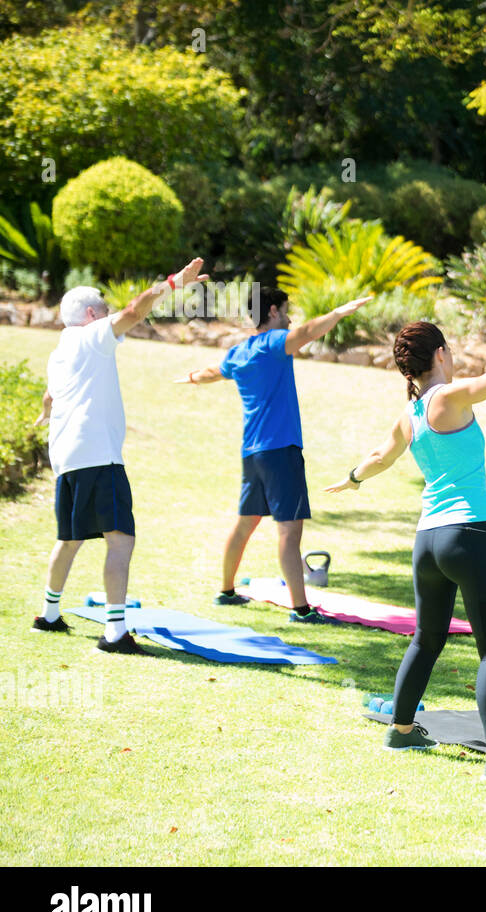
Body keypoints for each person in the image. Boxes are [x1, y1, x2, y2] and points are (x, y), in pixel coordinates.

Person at [326, 319, 486, 782]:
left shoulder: (408, 417)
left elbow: (380, 458)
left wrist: (351, 479)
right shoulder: (446, 398)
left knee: (427, 638)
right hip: (469, 535)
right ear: (442, 355)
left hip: (427, 540)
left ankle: (402, 728)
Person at [33, 259, 209, 653]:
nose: (111, 317)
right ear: (93, 315)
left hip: (67, 457)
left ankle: (47, 615)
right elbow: (134, 311)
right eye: (104, 311)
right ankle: (114, 633)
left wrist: (45, 414)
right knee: (120, 540)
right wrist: (172, 284)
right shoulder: (93, 335)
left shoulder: (59, 350)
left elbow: (50, 395)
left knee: (70, 538)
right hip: (97, 455)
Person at [177, 288, 371, 622]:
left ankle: (226, 591)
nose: (290, 317)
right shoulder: (273, 343)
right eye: (285, 310)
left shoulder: (239, 352)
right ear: (271, 311)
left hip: (252, 453)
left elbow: (214, 373)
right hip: (281, 451)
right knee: (288, 533)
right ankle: (301, 610)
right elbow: (307, 332)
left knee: (244, 525)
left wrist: (192, 377)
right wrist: (338, 312)